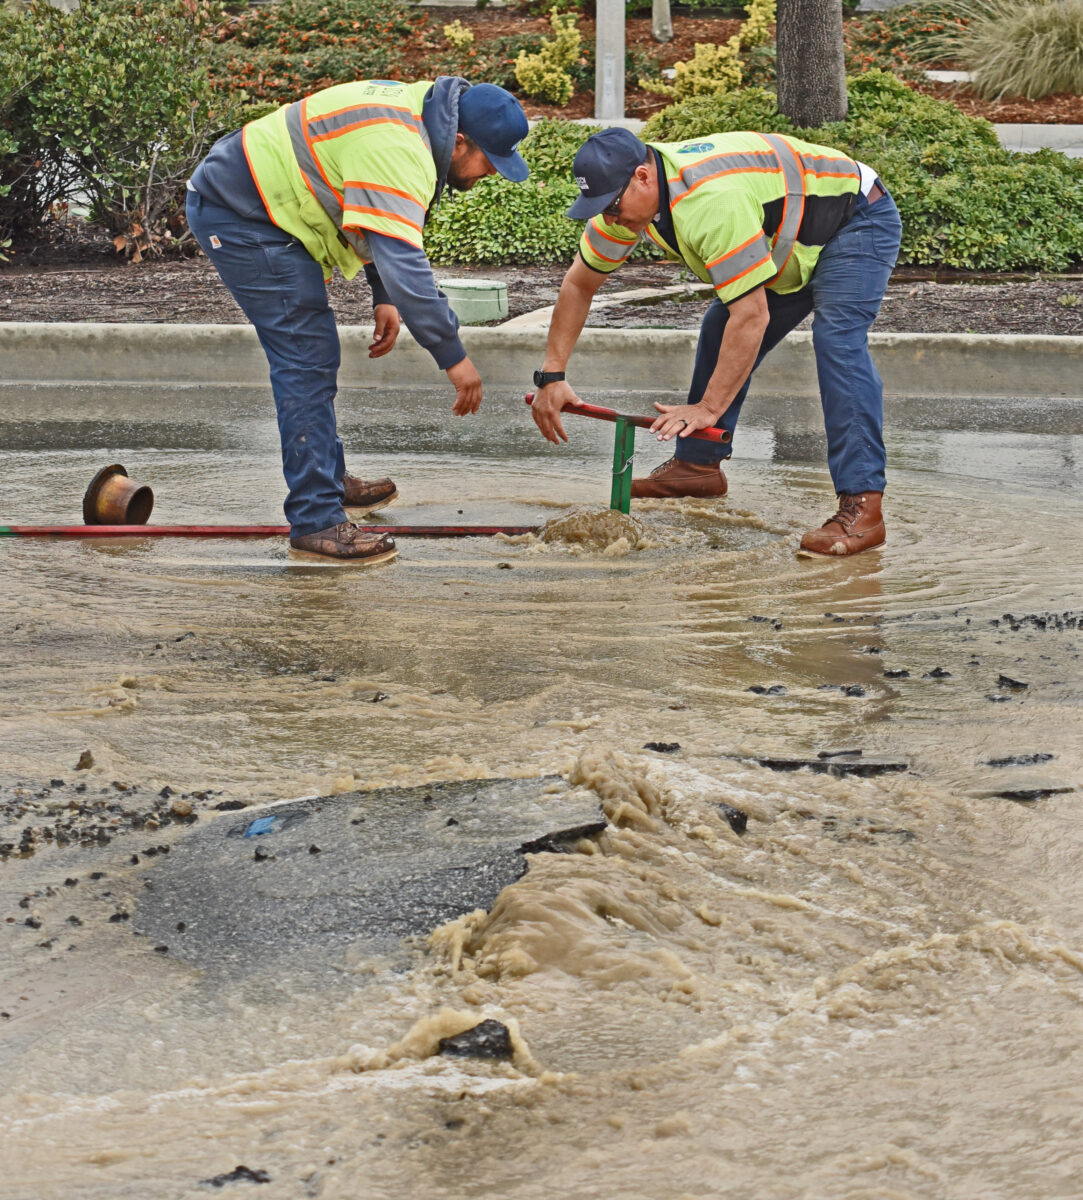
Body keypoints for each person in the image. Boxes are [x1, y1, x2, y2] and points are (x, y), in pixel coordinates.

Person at [186, 78, 529, 564]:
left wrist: (383, 295)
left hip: (262, 203)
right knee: (306, 357)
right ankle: (316, 519)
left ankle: (326, 483)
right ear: (458, 141)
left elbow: (370, 208)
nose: (492, 172)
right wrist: (453, 357)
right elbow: (407, 269)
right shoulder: (399, 148)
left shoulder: (422, 118)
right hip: (241, 212)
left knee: (313, 355)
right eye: (490, 161)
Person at [528, 126, 903, 557]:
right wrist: (552, 376)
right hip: (793, 230)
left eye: (611, 206)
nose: (609, 219)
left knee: (838, 342)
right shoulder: (628, 202)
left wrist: (708, 408)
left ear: (643, 177)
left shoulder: (709, 203)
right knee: (720, 325)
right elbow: (579, 285)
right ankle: (697, 466)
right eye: (600, 209)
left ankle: (863, 507)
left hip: (854, 217)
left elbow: (753, 316)